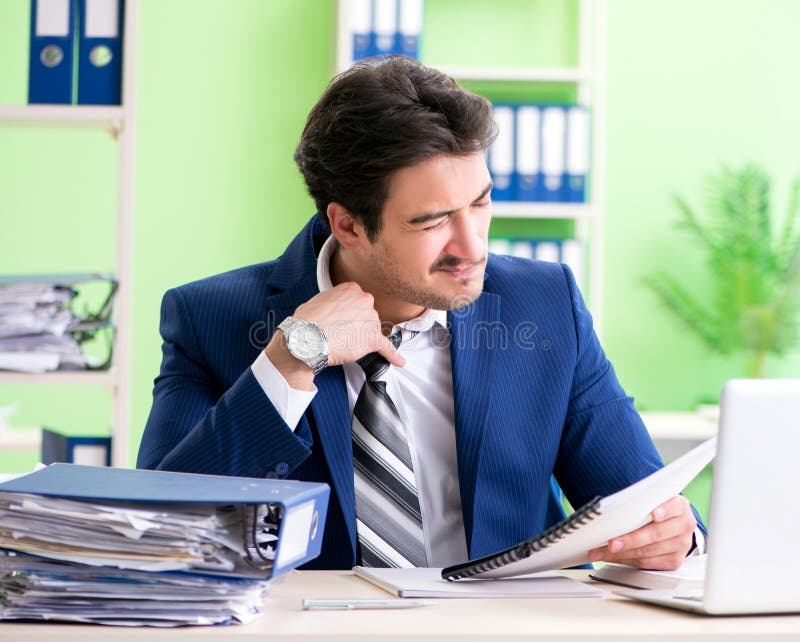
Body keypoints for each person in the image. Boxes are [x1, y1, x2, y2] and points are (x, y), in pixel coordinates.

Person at [137, 56, 703, 571]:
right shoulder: (209, 318)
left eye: (480, 203)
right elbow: (155, 534)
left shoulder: (546, 303)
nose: (473, 246)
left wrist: (677, 537)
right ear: (349, 226)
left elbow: (646, 503)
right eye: (433, 221)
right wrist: (292, 358)